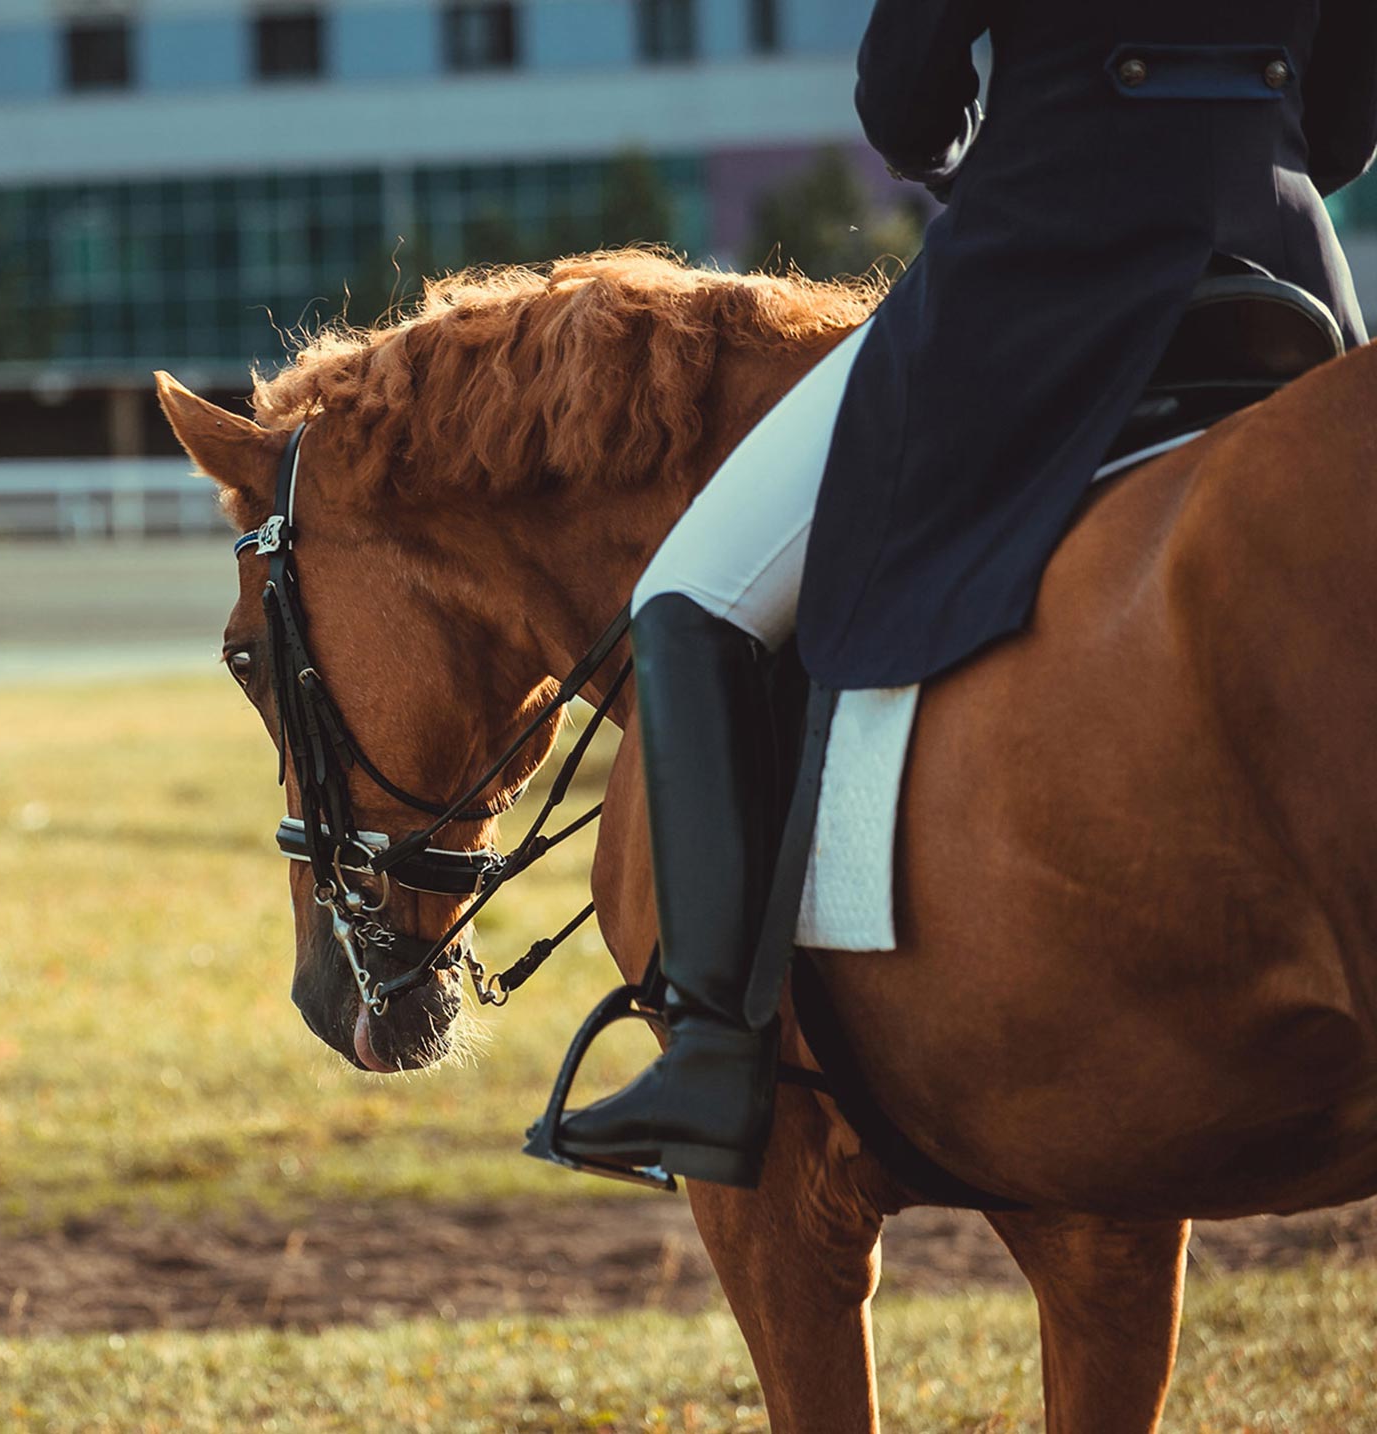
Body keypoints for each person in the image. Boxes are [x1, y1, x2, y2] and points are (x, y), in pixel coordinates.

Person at [551, 0, 1377, 1190]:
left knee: (693, 592)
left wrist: (992, 161)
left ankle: (717, 1059)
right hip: (1284, 261)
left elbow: (904, 99)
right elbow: (1345, 125)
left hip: (1046, 259)